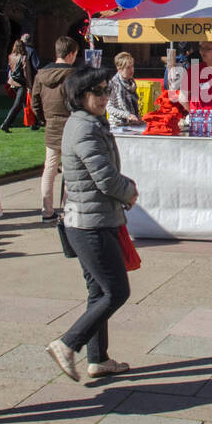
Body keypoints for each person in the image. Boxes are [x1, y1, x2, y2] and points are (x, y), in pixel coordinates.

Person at [46, 65, 139, 381]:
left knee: (99, 292)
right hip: (90, 224)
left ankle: (98, 359)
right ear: (80, 95)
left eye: (106, 90)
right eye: (97, 92)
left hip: (90, 219)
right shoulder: (84, 128)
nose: (104, 97)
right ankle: (67, 343)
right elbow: (105, 179)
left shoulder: (89, 123)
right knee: (115, 291)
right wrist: (129, 191)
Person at [32, 36, 79, 222]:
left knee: (49, 168)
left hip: (51, 123)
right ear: (70, 55)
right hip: (71, 124)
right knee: (69, 170)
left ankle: (47, 210)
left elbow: (35, 102)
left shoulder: (40, 75)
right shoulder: (74, 75)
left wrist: (44, 119)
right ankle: (68, 211)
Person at [106, 52, 143, 127]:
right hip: (117, 125)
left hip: (131, 125)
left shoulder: (131, 82)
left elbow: (133, 104)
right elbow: (109, 107)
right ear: (119, 69)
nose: (131, 70)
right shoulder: (114, 84)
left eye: (132, 66)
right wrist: (127, 115)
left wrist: (137, 116)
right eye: (128, 68)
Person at [0, 40, 29, 132]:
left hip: (13, 82)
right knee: (17, 104)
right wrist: (29, 83)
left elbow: (10, 69)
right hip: (21, 83)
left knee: (22, 104)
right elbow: (25, 72)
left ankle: (33, 123)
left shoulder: (10, 56)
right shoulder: (23, 57)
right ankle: (6, 123)